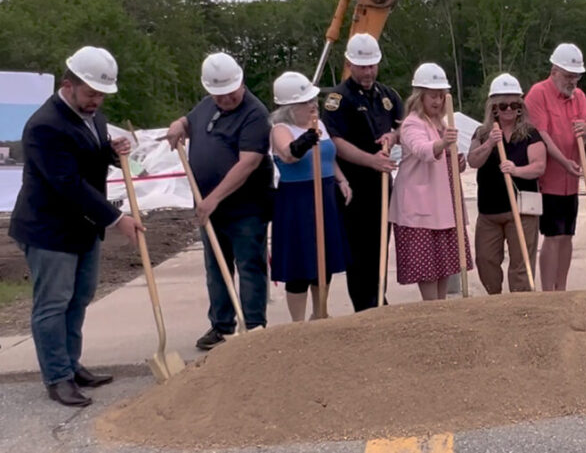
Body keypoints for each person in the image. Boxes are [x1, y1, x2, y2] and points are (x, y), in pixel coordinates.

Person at [9, 46, 143, 407]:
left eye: (101, 94)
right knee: (53, 303)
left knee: (79, 298)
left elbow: (90, 155)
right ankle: (57, 377)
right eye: (91, 93)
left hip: (83, 226)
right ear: (69, 85)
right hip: (49, 229)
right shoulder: (45, 126)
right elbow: (67, 182)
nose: (97, 101)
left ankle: (71, 363)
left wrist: (112, 151)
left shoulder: (92, 115)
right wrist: (117, 219)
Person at [165, 52, 273, 349]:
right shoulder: (208, 105)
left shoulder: (254, 113)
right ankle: (221, 324)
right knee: (216, 268)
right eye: (218, 95)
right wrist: (178, 124)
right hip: (210, 209)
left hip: (245, 208)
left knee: (249, 265)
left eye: (229, 94)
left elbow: (248, 163)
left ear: (240, 83)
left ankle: (253, 325)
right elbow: (190, 120)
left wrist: (213, 199)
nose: (225, 100)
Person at [322, 33, 403, 312]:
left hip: (382, 182)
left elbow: (402, 127)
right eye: (362, 66)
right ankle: (364, 305)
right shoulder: (337, 98)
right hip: (353, 185)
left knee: (381, 243)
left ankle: (379, 297)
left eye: (372, 66)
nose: (368, 72)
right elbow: (336, 143)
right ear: (349, 63)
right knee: (358, 249)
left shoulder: (388, 95)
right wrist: (370, 161)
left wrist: (392, 137)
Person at [269, 72, 352, 321]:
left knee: (322, 260)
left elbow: (329, 156)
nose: (313, 105)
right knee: (299, 263)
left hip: (325, 195)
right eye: (306, 102)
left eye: (312, 100)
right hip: (298, 200)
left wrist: (341, 179)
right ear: (290, 107)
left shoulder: (320, 125)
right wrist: (305, 139)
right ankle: (298, 323)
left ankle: (321, 312)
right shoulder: (280, 129)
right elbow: (289, 155)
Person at [388, 63, 472, 301]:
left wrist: (456, 162)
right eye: (432, 96)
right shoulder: (412, 123)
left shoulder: (442, 124)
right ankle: (431, 308)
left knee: (445, 264)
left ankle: (441, 308)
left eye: (440, 96)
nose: (437, 101)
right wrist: (443, 144)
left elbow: (443, 158)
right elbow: (422, 149)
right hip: (420, 208)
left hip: (443, 206)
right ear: (419, 96)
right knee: (427, 268)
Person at [468, 74, 546, 294]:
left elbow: (539, 166)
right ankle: (495, 299)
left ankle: (521, 307)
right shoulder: (482, 133)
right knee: (485, 260)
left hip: (521, 210)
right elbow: (473, 160)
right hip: (489, 211)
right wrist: (490, 144)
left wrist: (516, 170)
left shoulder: (530, 134)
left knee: (522, 264)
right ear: (494, 108)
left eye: (514, 105)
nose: (509, 110)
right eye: (503, 105)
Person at [524, 43, 586, 291]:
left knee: (567, 235)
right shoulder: (538, 94)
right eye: (568, 75)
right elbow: (542, 135)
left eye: (576, 76)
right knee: (552, 236)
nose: (573, 81)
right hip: (548, 179)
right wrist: (564, 162)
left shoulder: (580, 96)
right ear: (554, 71)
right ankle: (548, 290)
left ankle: (561, 288)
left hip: (571, 181)